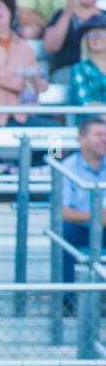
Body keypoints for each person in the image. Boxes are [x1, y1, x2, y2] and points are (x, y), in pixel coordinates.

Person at [58, 116, 106, 314]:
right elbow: (62, 211)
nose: (104, 139)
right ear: (82, 139)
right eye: (98, 134)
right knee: (62, 235)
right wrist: (95, 217)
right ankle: (66, 303)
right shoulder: (68, 167)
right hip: (80, 228)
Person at [46, 0, 105, 83]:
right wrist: (67, 14)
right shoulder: (61, 15)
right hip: (69, 73)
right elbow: (50, 47)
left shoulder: (104, 16)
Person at [73, 16, 106, 103]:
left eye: (102, 32)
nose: (97, 37)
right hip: (94, 116)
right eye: (91, 34)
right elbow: (85, 102)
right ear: (85, 41)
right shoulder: (80, 69)